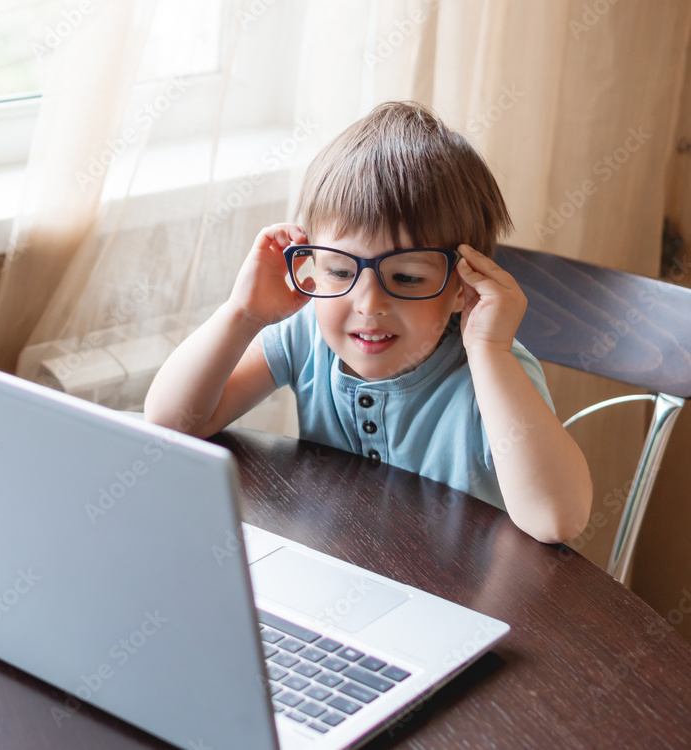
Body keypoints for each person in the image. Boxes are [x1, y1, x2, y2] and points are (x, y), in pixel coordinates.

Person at [144, 101, 592, 544]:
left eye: (407, 277)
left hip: (463, 601)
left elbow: (556, 519)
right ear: (312, 265)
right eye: (340, 270)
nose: (369, 303)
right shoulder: (307, 334)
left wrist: (490, 351)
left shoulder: (493, 369)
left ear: (463, 285)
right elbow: (173, 422)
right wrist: (242, 314)